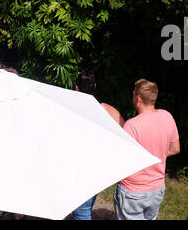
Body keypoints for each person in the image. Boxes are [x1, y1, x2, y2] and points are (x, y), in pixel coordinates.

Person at [114, 78, 180, 220]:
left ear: (138, 98)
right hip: (157, 188)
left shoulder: (132, 125)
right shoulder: (167, 116)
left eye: (133, 94)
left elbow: (122, 159)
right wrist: (157, 154)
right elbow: (175, 148)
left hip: (133, 191)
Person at [71, 72, 124, 220]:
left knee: (82, 211)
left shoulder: (71, 109)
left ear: (76, 88)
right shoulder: (108, 110)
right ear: (95, 86)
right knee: (85, 206)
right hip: (99, 166)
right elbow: (126, 133)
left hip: (79, 168)